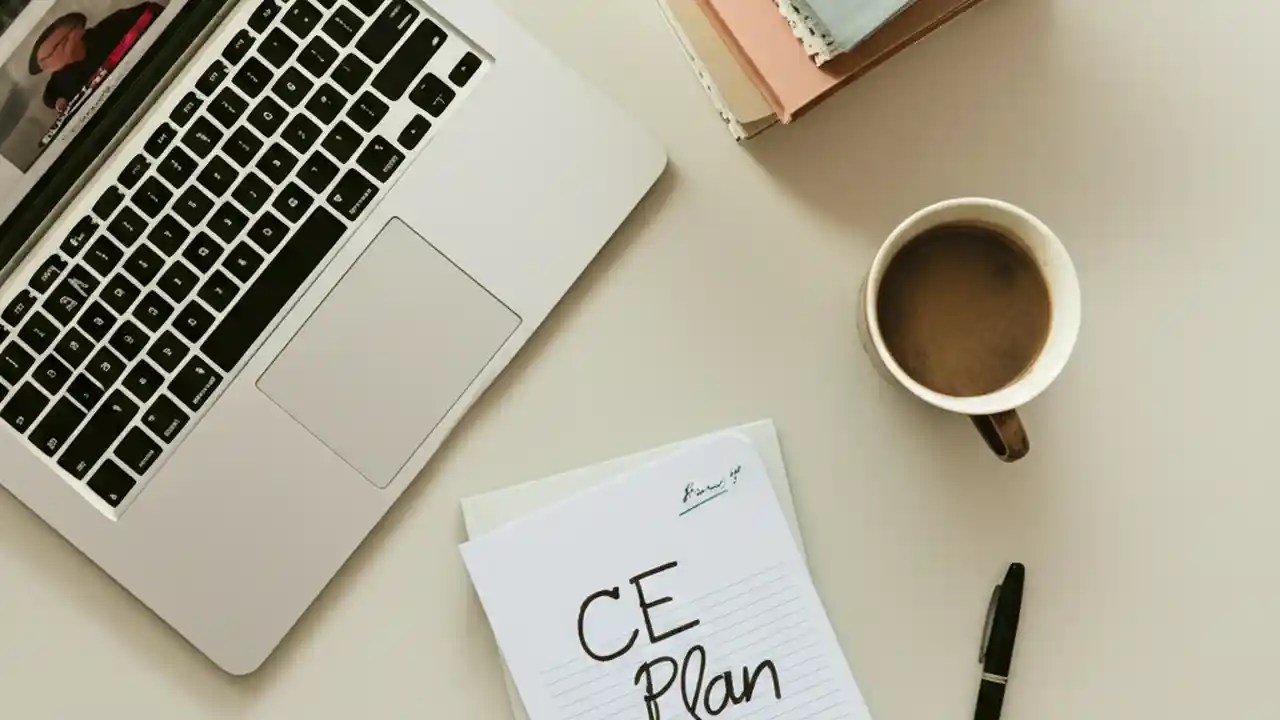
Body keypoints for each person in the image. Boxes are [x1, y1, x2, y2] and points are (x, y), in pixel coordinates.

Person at [28, 2, 165, 112]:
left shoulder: (112, 26)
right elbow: (50, 97)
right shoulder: (60, 80)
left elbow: (151, 12)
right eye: (45, 63)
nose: (50, 62)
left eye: (55, 48)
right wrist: (59, 103)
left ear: (77, 30)